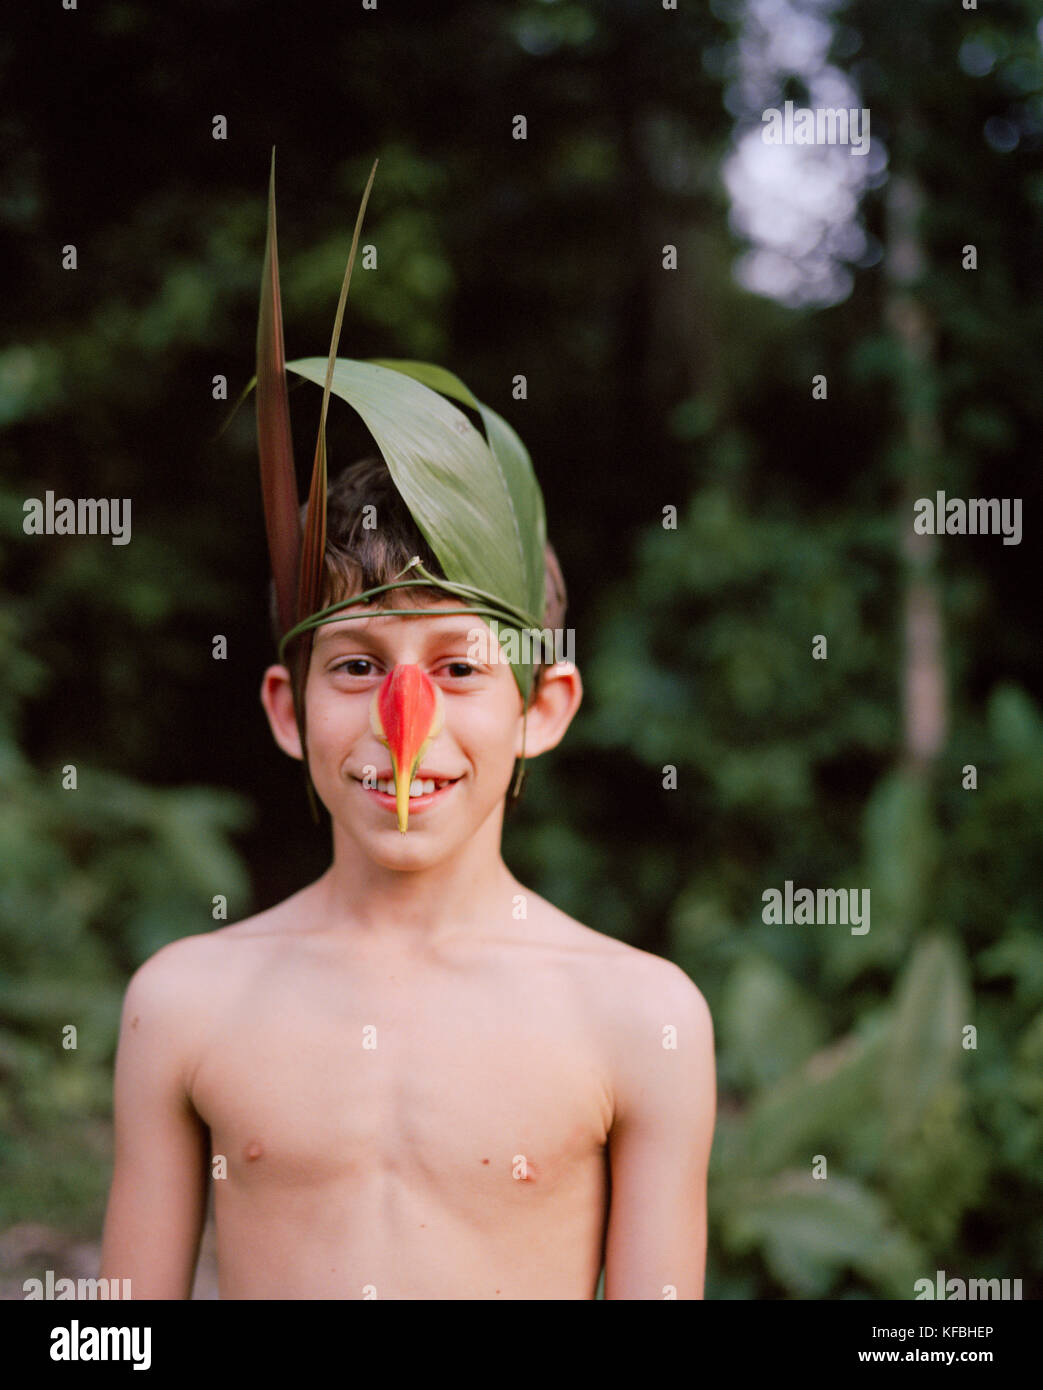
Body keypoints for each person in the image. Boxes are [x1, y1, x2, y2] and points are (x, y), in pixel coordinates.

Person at [98, 155, 716, 1300]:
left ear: (542, 709)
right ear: (287, 710)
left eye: (455, 667)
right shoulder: (184, 1001)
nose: (404, 720)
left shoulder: (638, 1017)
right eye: (354, 664)